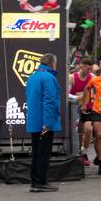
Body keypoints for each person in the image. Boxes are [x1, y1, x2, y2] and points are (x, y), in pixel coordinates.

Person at [24, 53, 62, 192]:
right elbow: (49, 101)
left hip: (34, 121)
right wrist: (47, 123)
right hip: (44, 122)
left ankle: (35, 181)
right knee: (44, 153)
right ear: (52, 63)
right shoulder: (49, 78)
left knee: (36, 152)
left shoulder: (32, 77)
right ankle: (41, 182)